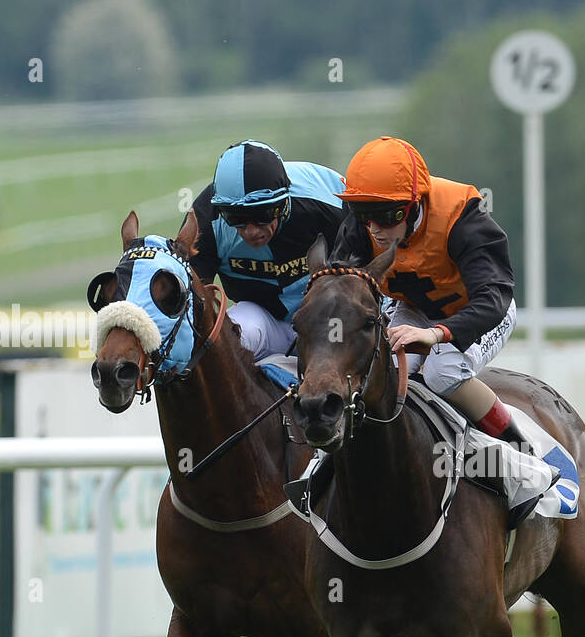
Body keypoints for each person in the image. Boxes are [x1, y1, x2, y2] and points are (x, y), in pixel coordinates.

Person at [330, 136, 527, 447]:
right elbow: (339, 290)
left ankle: (519, 450)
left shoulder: (463, 216)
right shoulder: (363, 224)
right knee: (380, 371)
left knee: (442, 372)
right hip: (413, 307)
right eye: (363, 214)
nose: (374, 229)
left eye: (386, 216)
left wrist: (436, 334)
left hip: (479, 313)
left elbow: (493, 299)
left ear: (414, 203)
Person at [189, 139, 347, 364]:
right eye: (236, 219)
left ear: (284, 202)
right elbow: (195, 306)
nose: (251, 231)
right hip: (265, 319)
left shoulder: (330, 204)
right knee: (219, 345)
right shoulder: (207, 220)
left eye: (263, 214)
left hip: (333, 320)